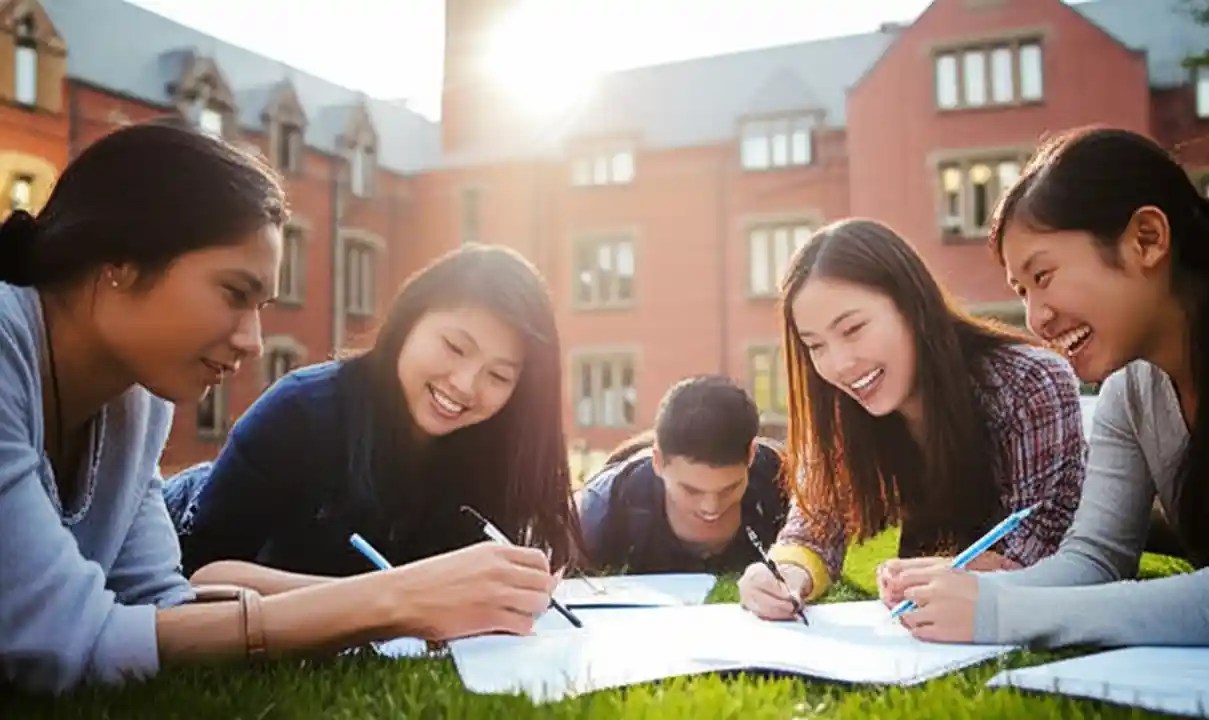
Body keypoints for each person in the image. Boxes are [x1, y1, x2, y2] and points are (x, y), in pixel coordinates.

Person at [0, 122, 556, 694]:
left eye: (499, 374)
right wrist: (398, 599)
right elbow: (67, 642)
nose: (254, 341)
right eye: (235, 294)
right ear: (117, 261)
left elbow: (160, 605)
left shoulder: (139, 403)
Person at [889, 127, 1209, 647]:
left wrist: (1002, 610)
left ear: (1146, 239)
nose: (1036, 319)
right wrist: (967, 589)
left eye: (1043, 276)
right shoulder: (1129, 388)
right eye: (1020, 291)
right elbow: (1096, 557)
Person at [163, 243, 583, 589]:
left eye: (499, 375)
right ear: (409, 321)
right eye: (455, 347)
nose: (466, 384)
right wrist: (391, 600)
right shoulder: (303, 411)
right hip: (173, 527)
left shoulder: (496, 445)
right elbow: (200, 574)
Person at [738, 218, 1087, 621]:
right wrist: (783, 576)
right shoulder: (840, 407)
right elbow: (813, 529)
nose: (840, 364)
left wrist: (962, 572)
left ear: (910, 306)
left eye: (853, 329)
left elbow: (1050, 544)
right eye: (815, 345)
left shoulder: (1028, 383)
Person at [576, 375, 787, 574]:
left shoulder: (787, 485)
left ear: (751, 455)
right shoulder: (601, 509)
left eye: (729, 488)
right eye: (691, 490)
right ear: (658, 462)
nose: (711, 508)